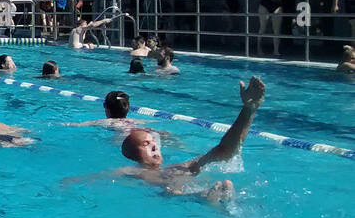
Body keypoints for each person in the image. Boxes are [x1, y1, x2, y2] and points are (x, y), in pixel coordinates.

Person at [97, 77, 266, 204]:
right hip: (176, 196)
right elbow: (94, 179)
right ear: (132, 153)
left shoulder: (181, 167)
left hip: (184, 190)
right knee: (169, 192)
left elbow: (226, 150)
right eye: (146, 144)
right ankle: (203, 198)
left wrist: (249, 109)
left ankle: (212, 199)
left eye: (154, 142)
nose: (154, 145)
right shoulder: (130, 171)